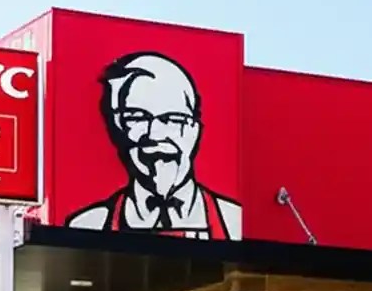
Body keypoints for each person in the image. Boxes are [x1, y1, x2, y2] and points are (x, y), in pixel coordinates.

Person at [65, 52, 242, 240]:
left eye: (173, 119)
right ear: (116, 128)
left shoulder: (232, 220)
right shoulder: (89, 225)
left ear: (194, 130)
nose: (155, 134)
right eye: (137, 117)